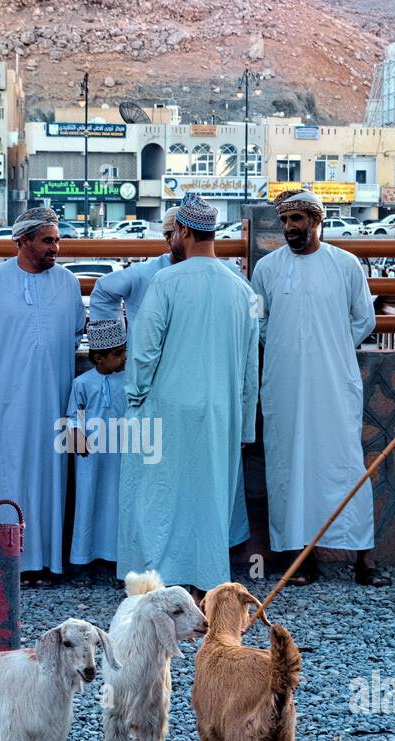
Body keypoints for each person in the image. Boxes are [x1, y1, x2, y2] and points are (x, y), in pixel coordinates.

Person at [116, 193, 259, 596]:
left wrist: (136, 399)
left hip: (166, 409)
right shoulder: (241, 289)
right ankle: (206, 589)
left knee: (160, 500)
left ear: (183, 231)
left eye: (172, 232)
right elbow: (250, 367)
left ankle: (161, 587)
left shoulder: (166, 281)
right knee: (209, 502)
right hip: (220, 413)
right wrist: (244, 423)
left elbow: (143, 352)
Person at [252, 189, 387, 586]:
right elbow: (258, 323)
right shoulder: (267, 269)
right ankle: (301, 558)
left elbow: (364, 320)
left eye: (298, 219)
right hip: (285, 384)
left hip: (334, 383)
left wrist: (329, 346)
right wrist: (289, 347)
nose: (290, 227)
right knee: (289, 467)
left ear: (317, 220)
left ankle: (365, 558)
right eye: (285, 220)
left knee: (344, 463)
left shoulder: (346, 265)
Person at [0, 206, 84, 584]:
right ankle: (1, 563)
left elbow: (78, 334)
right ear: (23, 241)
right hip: (4, 406)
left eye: (58, 240)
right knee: (5, 480)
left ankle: (45, 564)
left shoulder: (68, 283)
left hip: (52, 403)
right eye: (48, 240)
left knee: (49, 482)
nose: (56, 248)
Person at [65, 318, 128, 575]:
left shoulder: (128, 380)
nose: (124, 358)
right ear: (99, 358)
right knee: (88, 499)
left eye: (124, 351)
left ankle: (118, 558)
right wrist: (77, 435)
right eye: (117, 354)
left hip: (121, 451)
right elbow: (74, 415)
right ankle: (84, 559)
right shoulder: (82, 383)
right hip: (90, 454)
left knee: (117, 502)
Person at [88, 207, 181, 327]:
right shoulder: (144, 273)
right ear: (168, 238)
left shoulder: (207, 273)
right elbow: (103, 290)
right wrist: (113, 343)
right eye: (183, 234)